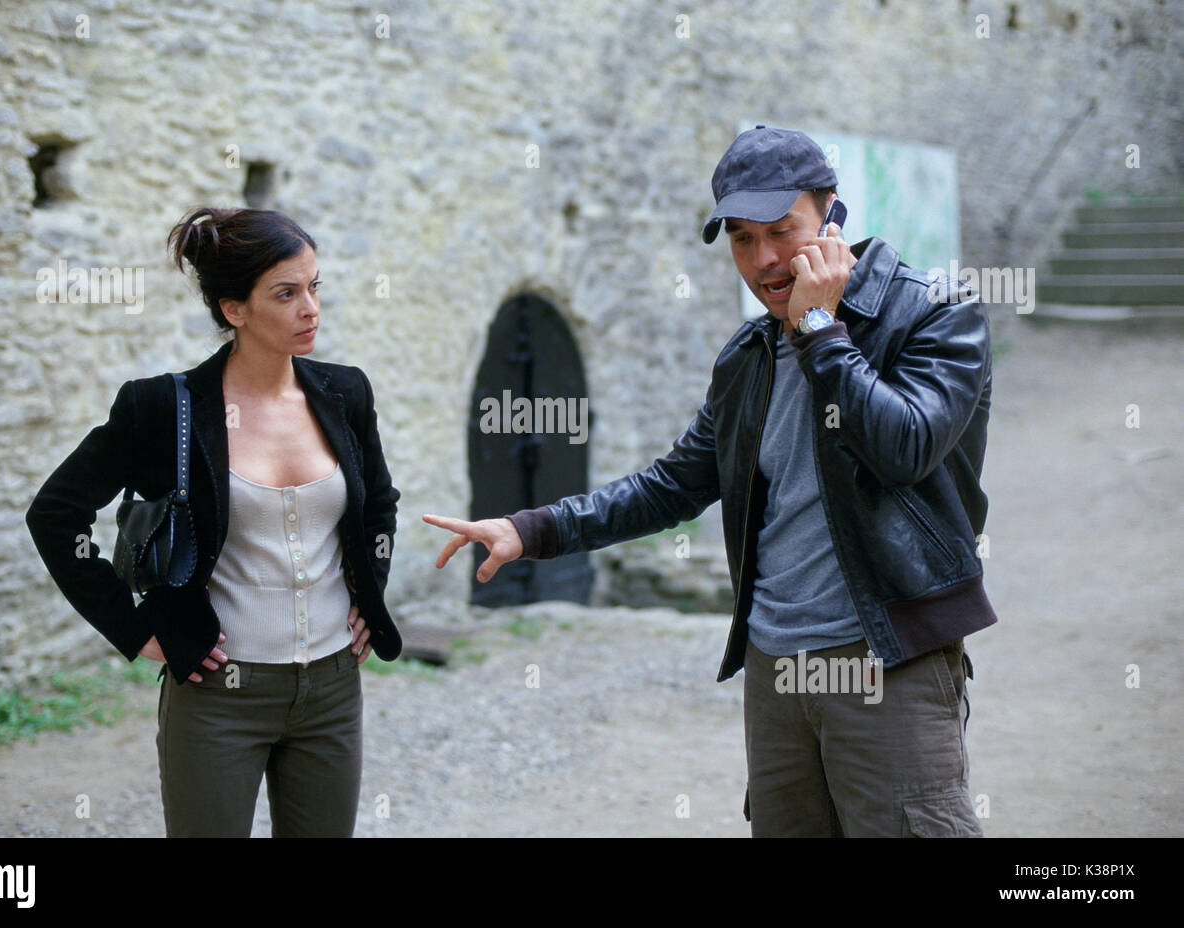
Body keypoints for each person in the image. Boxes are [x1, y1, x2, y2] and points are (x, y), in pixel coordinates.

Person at [424, 126, 996, 837]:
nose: (764, 261)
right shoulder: (748, 355)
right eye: (741, 239)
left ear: (831, 212)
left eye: (782, 231)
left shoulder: (935, 310)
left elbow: (904, 448)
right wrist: (532, 528)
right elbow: (674, 484)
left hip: (889, 656)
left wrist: (820, 329)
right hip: (775, 664)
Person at [25, 207, 402, 837]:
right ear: (235, 309)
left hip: (333, 690)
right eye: (286, 294)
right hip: (218, 695)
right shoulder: (159, 408)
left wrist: (370, 592)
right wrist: (133, 628)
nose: (311, 309)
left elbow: (379, 504)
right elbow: (56, 515)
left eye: (314, 287)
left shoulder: (346, 393)